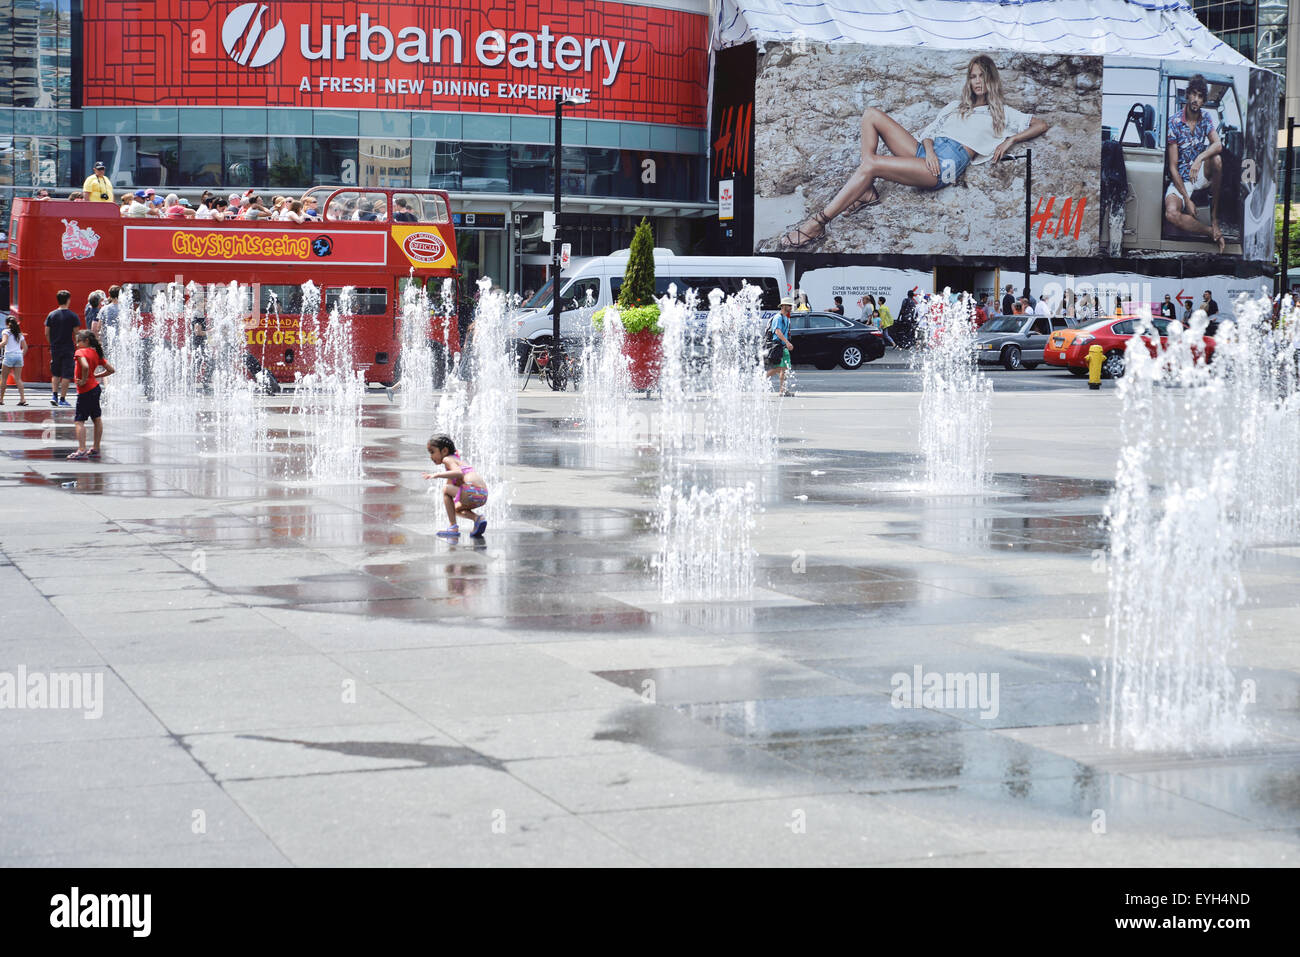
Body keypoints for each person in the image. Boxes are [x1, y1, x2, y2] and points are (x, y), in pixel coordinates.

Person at [779, 54, 1050, 248]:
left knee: (870, 165)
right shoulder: (956, 106)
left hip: (946, 164)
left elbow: (1041, 124)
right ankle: (868, 190)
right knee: (871, 114)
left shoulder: (1000, 112)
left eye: (981, 75)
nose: (977, 81)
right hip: (927, 151)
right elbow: (930, 133)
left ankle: (818, 222)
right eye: (972, 76)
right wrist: (928, 150)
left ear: (991, 78)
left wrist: (1010, 140)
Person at [1164, 74, 1225, 254]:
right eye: (1193, 94)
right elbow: (1173, 167)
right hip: (1182, 179)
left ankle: (1214, 219)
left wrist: (1199, 158)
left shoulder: (1205, 118)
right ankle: (1210, 232)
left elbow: (1218, 144)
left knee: (1217, 159)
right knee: (1171, 213)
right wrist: (1187, 199)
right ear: (1187, 95)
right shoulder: (1174, 122)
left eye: (1200, 96)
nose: (1196, 100)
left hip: (1199, 173)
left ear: (1204, 100)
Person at [423, 434, 489, 539]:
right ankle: (477, 519)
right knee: (456, 508)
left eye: (432, 452)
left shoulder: (447, 459)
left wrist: (436, 475)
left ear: (444, 451)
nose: (431, 457)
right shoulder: (456, 460)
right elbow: (452, 483)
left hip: (472, 492)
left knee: (445, 490)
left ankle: (453, 526)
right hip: (483, 495)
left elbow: (458, 473)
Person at [66, 330, 115, 460]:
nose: (76, 344)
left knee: (79, 421)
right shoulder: (95, 353)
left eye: (78, 341)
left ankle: (81, 450)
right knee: (96, 418)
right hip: (95, 388)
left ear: (86, 341)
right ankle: (96, 448)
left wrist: (83, 379)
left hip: (85, 390)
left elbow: (85, 366)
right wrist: (96, 376)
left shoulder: (80, 352)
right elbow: (111, 370)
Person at [45, 290, 80, 408]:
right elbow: (76, 334)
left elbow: (46, 333)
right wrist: (77, 346)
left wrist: (52, 343)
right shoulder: (73, 316)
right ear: (68, 300)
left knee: (55, 373)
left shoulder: (51, 315)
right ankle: (62, 399)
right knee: (66, 374)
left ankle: (54, 395)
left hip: (55, 348)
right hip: (68, 348)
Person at [764, 297, 796, 396]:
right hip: (778, 346)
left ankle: (783, 391)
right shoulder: (778, 317)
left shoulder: (786, 318)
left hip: (783, 347)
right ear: (783, 306)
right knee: (780, 368)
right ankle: (761, 378)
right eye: (789, 305)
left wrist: (787, 343)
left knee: (785, 369)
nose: (791, 307)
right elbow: (777, 332)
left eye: (791, 306)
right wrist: (787, 342)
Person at [1, 317, 29, 406]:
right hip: (18, 356)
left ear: (7, 324)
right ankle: (22, 399)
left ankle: (1, 399)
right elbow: (25, 348)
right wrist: (20, 356)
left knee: (4, 378)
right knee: (18, 379)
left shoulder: (6, 332)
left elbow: (4, 342)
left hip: (9, 356)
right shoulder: (20, 334)